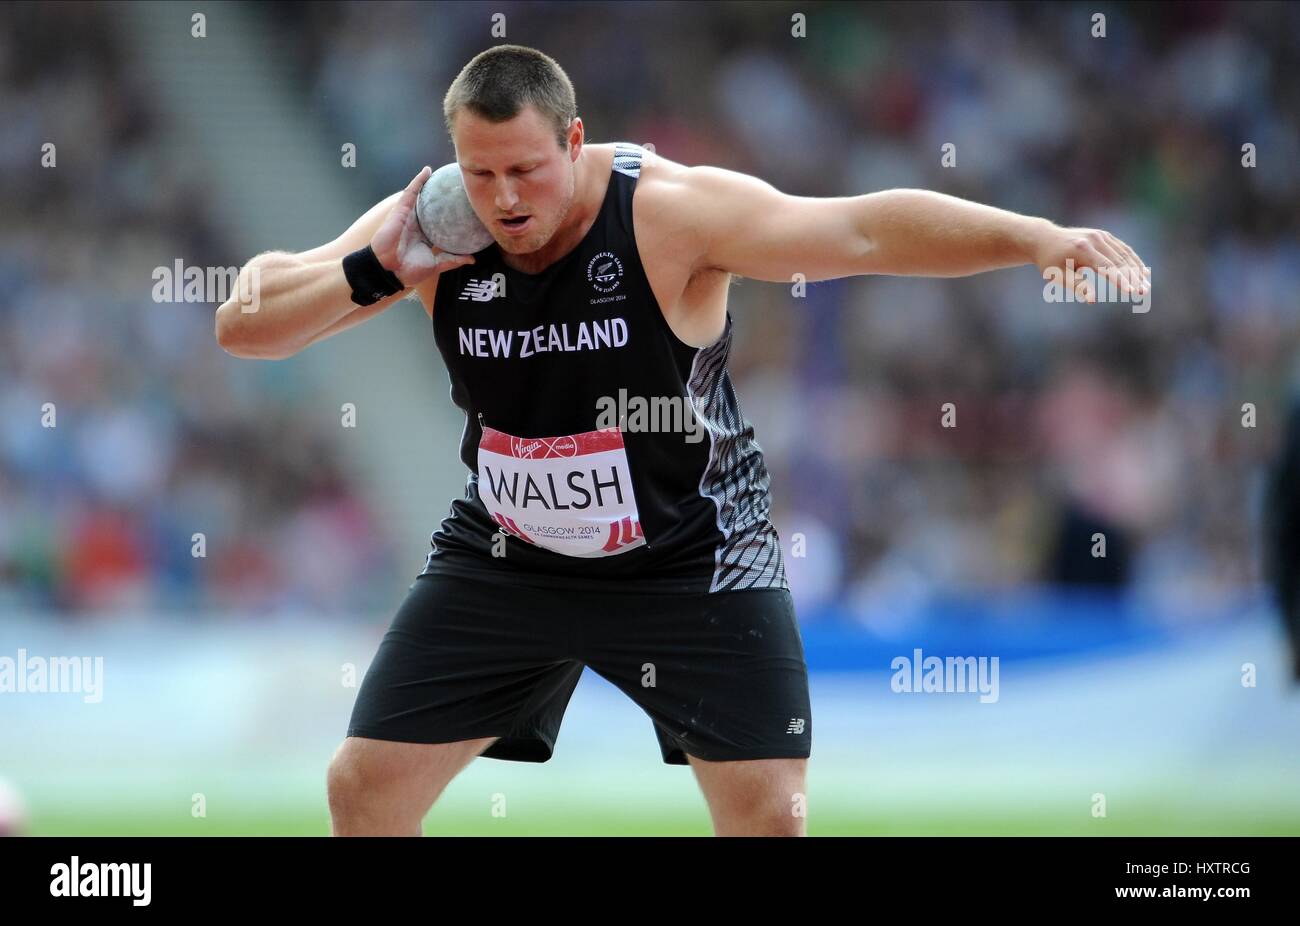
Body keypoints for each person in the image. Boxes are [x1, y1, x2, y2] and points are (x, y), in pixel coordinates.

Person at [215, 44, 1149, 836]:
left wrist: (1033, 237)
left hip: (693, 553)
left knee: (770, 815)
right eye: (480, 171)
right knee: (361, 787)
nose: (503, 199)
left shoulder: (669, 214)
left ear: (574, 144)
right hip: (510, 552)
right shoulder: (431, 228)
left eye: (527, 170)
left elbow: (857, 231)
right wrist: (376, 268)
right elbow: (248, 318)